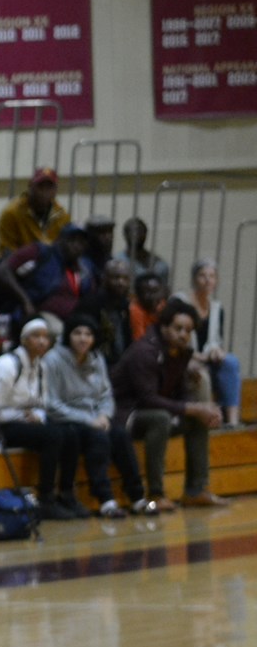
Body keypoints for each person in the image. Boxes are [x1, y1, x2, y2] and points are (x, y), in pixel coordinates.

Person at [113, 300, 226, 511]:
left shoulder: (181, 353)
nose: (183, 335)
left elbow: (181, 394)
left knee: (197, 419)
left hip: (152, 412)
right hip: (125, 415)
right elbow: (148, 399)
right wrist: (195, 408)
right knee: (161, 418)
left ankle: (195, 490)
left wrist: (204, 410)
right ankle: (156, 494)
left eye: (188, 330)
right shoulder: (145, 351)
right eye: (178, 328)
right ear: (164, 327)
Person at [0, 317, 84, 519]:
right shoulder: (6, 366)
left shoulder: (40, 367)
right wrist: (22, 416)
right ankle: (45, 499)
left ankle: (66, 494)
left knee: (71, 432)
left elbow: (41, 404)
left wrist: (36, 416)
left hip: (22, 422)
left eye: (46, 337)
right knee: (52, 436)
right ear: (24, 340)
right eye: (36, 336)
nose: (42, 341)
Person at [47, 315, 147, 519]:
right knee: (98, 438)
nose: (83, 338)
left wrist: (104, 415)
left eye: (88, 334)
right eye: (77, 333)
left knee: (120, 435)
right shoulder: (53, 360)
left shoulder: (97, 358)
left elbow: (105, 395)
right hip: (67, 420)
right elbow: (51, 403)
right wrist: (88, 420)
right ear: (68, 335)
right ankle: (106, 500)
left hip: (95, 418)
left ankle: (137, 497)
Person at [0, 224, 95, 328]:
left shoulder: (85, 267)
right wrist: (25, 301)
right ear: (60, 240)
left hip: (74, 318)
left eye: (81, 242)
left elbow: (90, 297)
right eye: (72, 240)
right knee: (57, 329)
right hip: (39, 314)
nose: (76, 246)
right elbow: (2, 271)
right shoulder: (41, 252)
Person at [185, 259, 240, 427]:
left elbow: (216, 340)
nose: (208, 280)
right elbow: (176, 339)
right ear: (194, 279)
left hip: (207, 358)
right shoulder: (182, 302)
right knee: (200, 373)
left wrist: (216, 350)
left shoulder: (217, 308)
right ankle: (209, 420)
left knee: (231, 362)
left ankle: (233, 422)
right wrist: (196, 356)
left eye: (212, 276)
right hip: (186, 357)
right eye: (202, 275)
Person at [0, 168, 69, 253]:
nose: (44, 191)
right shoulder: (11, 214)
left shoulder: (62, 215)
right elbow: (7, 252)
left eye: (49, 187)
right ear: (30, 186)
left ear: (55, 190)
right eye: (40, 186)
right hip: (18, 260)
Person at [89, 257, 136, 366]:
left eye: (125, 278)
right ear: (105, 278)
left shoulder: (125, 305)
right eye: (116, 277)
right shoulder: (92, 304)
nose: (121, 282)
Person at [122, 217, 172, 287]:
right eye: (132, 231)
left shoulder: (159, 265)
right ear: (125, 234)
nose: (136, 234)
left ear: (146, 234)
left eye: (140, 231)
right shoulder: (116, 261)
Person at [130, 272, 170, 343]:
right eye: (146, 292)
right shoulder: (136, 310)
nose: (151, 296)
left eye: (155, 291)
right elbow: (140, 342)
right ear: (138, 294)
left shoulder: (162, 305)